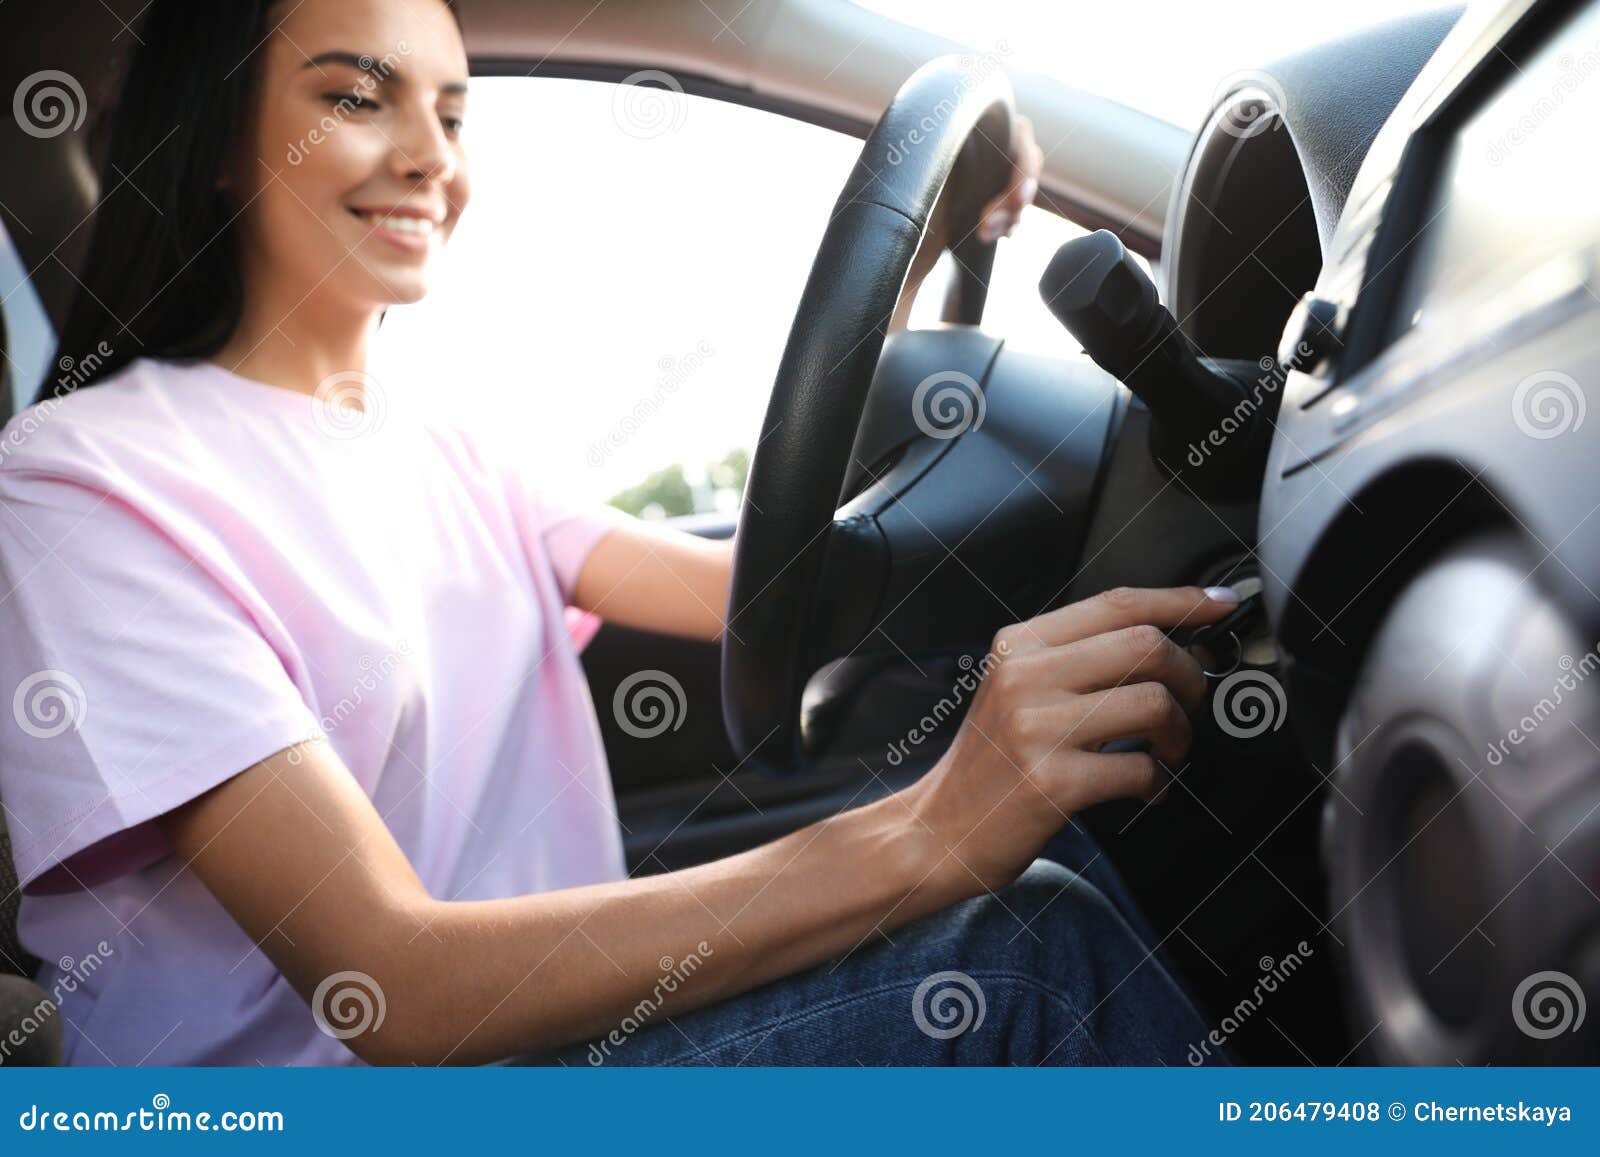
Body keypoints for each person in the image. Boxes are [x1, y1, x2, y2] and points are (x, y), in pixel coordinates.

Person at [0, 0, 1236, 1066]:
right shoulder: (86, 481)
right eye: (358, 99)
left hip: (551, 1041)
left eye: (453, 114)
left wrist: (933, 259)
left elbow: (774, 589)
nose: (430, 158)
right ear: (221, 137)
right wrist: (930, 829)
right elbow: (389, 982)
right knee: (1022, 951)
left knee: (1065, 828)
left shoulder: (448, 445)